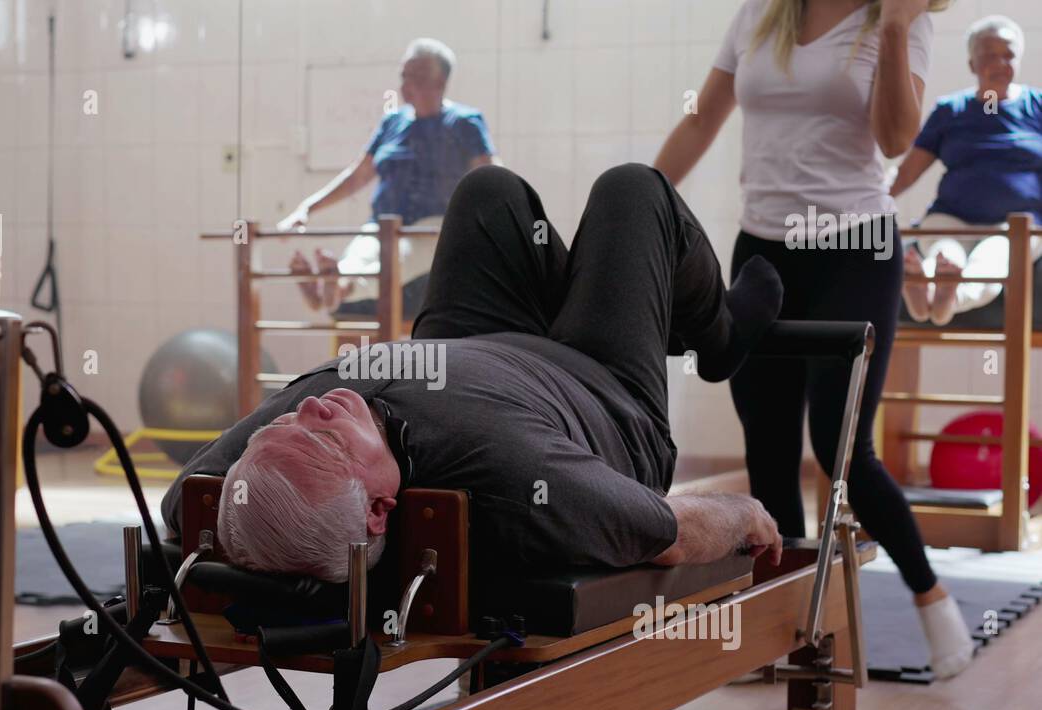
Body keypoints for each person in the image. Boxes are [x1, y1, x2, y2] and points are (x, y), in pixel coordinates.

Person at [163, 164, 787, 585]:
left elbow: (182, 501)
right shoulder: (516, 476)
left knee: (488, 192)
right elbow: (667, 530)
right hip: (602, 387)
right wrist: (744, 510)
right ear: (383, 508)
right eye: (323, 438)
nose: (313, 406)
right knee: (631, 191)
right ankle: (720, 336)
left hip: (465, 345)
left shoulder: (292, 454)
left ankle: (629, 299)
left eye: (279, 427)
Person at [654, 0, 974, 678]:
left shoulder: (902, 18)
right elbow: (702, 117)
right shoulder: (760, 14)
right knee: (767, 447)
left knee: (840, 448)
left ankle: (932, 596)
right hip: (763, 250)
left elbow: (894, 139)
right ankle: (778, 627)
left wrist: (890, 25)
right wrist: (641, 204)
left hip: (854, 247)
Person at [276, 38, 497, 320]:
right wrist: (305, 209)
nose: (405, 85)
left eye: (416, 77)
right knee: (360, 253)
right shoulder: (392, 122)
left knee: (397, 257)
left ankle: (330, 291)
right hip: (382, 223)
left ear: (439, 83)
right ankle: (332, 288)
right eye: (404, 76)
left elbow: (489, 176)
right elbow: (357, 176)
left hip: (434, 227)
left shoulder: (465, 122)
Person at [891, 15, 1042, 325]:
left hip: (1012, 227)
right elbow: (907, 173)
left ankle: (940, 300)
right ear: (972, 64)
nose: (1000, 62)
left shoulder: (1037, 106)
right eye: (989, 55)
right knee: (946, 254)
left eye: (1008, 54)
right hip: (949, 219)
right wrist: (867, 202)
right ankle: (928, 293)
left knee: (994, 257)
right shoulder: (951, 110)